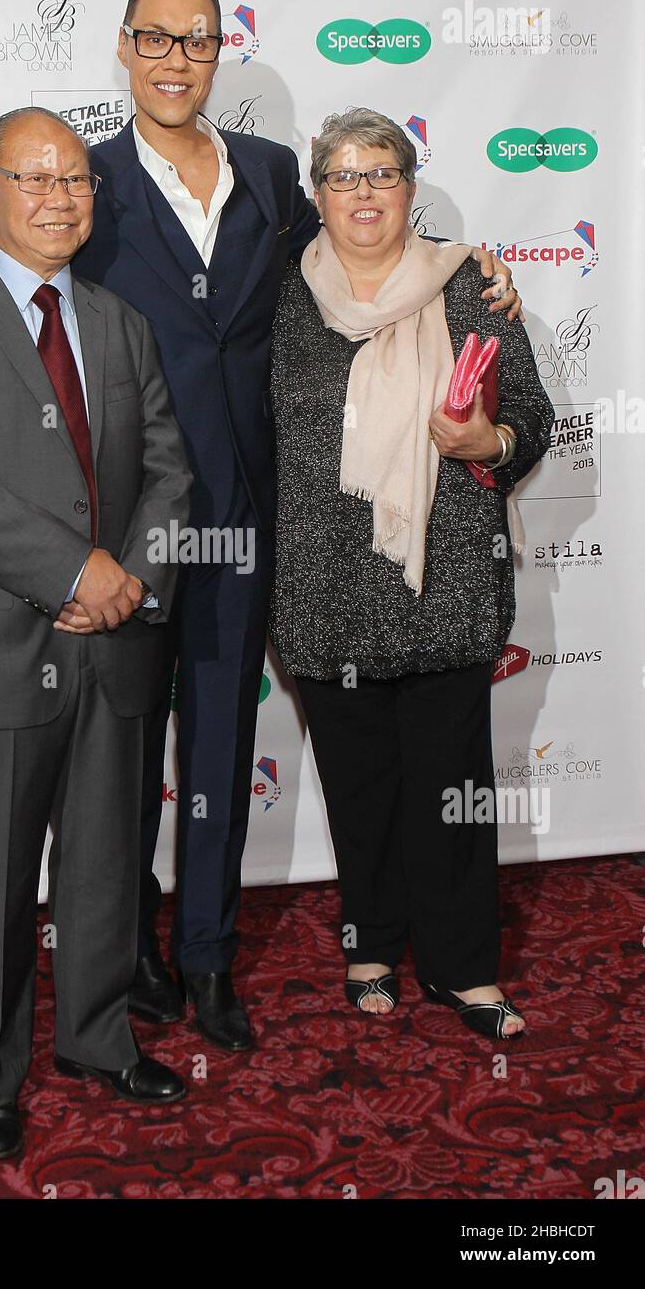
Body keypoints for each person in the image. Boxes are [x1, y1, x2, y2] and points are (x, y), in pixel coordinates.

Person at [0, 0, 523, 1053]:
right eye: (155, 39)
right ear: (123, 49)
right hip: (116, 528)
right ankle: (120, 957)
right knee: (112, 767)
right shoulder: (85, 181)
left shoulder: (267, 174)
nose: (176, 58)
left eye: (198, 40)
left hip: (248, 512)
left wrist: (474, 267)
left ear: (221, 51)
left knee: (215, 750)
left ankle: (207, 956)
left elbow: (364, 255)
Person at [0, 106, 193, 1160]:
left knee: (107, 862)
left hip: (112, 645)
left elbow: (166, 468)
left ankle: (99, 1039)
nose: (59, 198)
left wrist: (129, 579)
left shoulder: (119, 321)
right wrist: (69, 571)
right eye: (34, 179)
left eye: (75, 181)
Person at [268, 108, 554, 1039]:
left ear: (409, 186)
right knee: (358, 789)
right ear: (315, 193)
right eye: (342, 176)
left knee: (450, 785)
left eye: (380, 173)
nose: (362, 192)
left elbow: (533, 422)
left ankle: (465, 968)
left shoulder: (470, 287)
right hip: (322, 584)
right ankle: (370, 944)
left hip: (447, 580)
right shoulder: (278, 295)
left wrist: (491, 440)